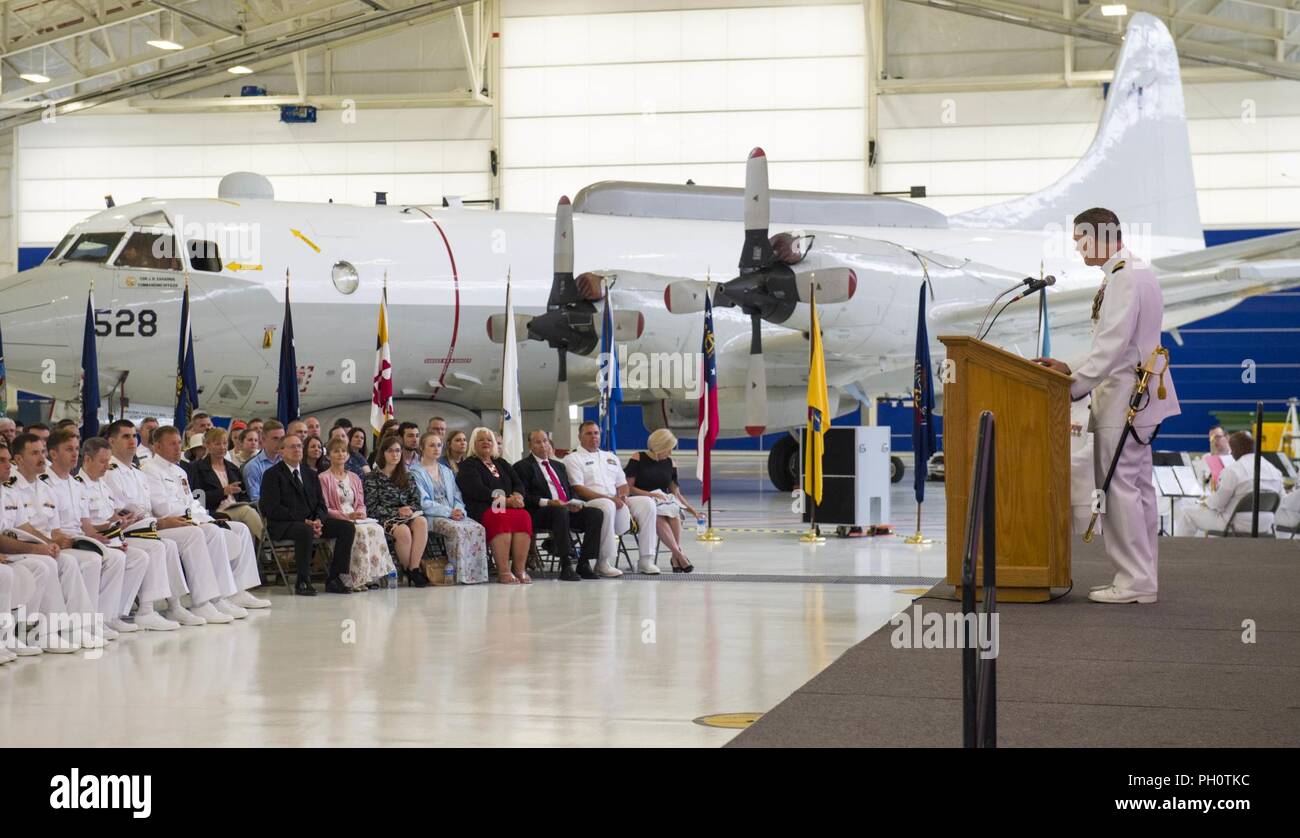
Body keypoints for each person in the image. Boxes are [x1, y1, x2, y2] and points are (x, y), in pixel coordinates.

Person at [1034, 208, 1179, 604]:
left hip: (1124, 398)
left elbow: (1113, 347)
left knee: (1118, 490)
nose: (1078, 248)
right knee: (1138, 488)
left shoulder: (1123, 279)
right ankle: (1142, 577)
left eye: (1081, 239)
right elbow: (1116, 343)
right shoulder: (1135, 271)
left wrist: (1072, 385)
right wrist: (1068, 367)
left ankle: (1133, 580)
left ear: (1100, 235)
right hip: (1140, 394)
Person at [143, 426, 270, 618]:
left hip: (189, 520)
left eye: (179, 443)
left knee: (240, 529)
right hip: (166, 525)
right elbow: (163, 508)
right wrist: (198, 520)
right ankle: (206, 601)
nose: (178, 448)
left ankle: (238, 591)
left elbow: (192, 501)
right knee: (209, 532)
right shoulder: (150, 470)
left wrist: (207, 518)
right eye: (172, 444)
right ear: (158, 446)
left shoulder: (179, 472)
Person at [101, 419, 213, 627]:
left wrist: (157, 521)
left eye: (134, 436)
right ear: (111, 441)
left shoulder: (137, 473)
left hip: (147, 526)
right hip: (125, 531)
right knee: (160, 546)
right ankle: (146, 610)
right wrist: (159, 522)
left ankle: (175, 605)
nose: (132, 441)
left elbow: (144, 507)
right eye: (125, 437)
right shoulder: (110, 472)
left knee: (169, 545)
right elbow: (123, 511)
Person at [71, 437, 178, 632]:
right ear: (87, 460)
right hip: (90, 538)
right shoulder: (78, 485)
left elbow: (110, 514)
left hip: (112, 535)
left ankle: (114, 614)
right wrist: (113, 526)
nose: (106, 467)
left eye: (108, 461)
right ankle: (100, 619)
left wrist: (122, 521)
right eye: (102, 462)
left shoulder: (101, 484)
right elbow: (83, 525)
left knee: (139, 557)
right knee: (135, 554)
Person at [39, 428, 136, 642]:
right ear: (53, 454)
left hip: (79, 539)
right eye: (69, 449)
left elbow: (87, 526)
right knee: (92, 560)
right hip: (60, 541)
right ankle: (82, 625)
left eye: (76, 449)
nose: (75, 454)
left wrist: (105, 538)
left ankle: (103, 618)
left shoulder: (75, 485)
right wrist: (86, 540)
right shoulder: (45, 483)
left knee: (117, 556)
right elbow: (51, 529)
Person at [5, 433, 102, 648]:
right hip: (16, 546)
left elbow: (53, 529)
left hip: (39, 544)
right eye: (35, 453)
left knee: (69, 561)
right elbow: (18, 529)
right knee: (51, 563)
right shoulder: (10, 486)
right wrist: (45, 545)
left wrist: (57, 541)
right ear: (19, 459)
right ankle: (44, 630)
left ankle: (77, 627)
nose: (42, 457)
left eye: (42, 452)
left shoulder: (46, 488)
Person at [260, 433, 355, 596]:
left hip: (310, 522)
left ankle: (335, 579)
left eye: (299, 446)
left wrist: (318, 519)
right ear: (281, 451)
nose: (297, 449)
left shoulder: (310, 474)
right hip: (283, 524)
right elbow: (272, 508)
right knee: (304, 530)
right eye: (292, 446)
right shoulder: (272, 475)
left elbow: (321, 504)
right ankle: (303, 581)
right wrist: (305, 521)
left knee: (346, 528)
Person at [563, 421, 658, 576]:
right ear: (579, 436)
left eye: (596, 433)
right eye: (588, 433)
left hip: (616, 501)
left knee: (647, 503)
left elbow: (623, 484)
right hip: (590, 503)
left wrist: (622, 496)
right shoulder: (573, 458)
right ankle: (603, 562)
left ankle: (646, 559)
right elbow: (578, 488)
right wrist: (611, 498)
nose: (593, 437)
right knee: (607, 504)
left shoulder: (610, 456)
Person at [513, 429, 602, 581]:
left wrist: (575, 502)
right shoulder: (522, 466)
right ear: (530, 445)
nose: (543, 445)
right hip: (540, 512)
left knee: (595, 514)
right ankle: (566, 564)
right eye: (538, 442)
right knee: (559, 511)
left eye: (545, 441)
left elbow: (569, 489)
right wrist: (548, 502)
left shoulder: (558, 466)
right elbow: (525, 496)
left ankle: (584, 562)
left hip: (565, 509)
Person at [456, 427, 534, 584]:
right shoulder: (468, 465)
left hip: (508, 506)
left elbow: (518, 483)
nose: (486, 442)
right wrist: (504, 501)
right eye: (481, 440)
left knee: (523, 516)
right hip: (483, 508)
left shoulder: (501, 463)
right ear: (473, 444)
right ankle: (503, 571)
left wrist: (518, 495)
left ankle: (519, 570)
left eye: (489, 439)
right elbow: (477, 490)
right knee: (501, 517)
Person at [318, 438, 396, 591]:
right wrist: (347, 516)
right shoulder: (323, 478)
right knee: (358, 532)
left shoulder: (354, 477)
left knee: (376, 529)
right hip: (338, 517)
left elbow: (360, 502)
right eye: (336, 451)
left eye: (344, 451)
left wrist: (360, 513)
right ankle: (354, 579)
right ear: (328, 456)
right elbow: (325, 507)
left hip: (356, 516)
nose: (341, 454)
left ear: (348, 455)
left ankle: (371, 576)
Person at [410, 432, 488, 584]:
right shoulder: (415, 472)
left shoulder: (446, 471)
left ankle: (475, 575)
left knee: (478, 528)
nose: (436, 449)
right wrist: (449, 512)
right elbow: (423, 502)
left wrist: (459, 510)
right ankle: (458, 575)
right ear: (422, 448)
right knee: (457, 530)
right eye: (432, 445)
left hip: (453, 513)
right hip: (432, 515)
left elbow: (458, 496)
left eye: (439, 445)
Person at [1174, 431, 1285, 536]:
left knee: (1188, 513)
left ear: (1236, 449)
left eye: (1233, 449)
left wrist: (1204, 502)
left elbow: (1218, 503)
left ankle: (1177, 553)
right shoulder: (1274, 471)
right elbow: (1281, 500)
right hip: (1265, 524)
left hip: (1236, 523)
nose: (1231, 453)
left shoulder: (1234, 470)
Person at [626, 429, 699, 572]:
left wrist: (692, 510)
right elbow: (628, 488)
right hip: (642, 502)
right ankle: (679, 555)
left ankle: (675, 556)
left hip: (664, 504)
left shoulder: (671, 463)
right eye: (669, 449)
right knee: (657, 514)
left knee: (673, 512)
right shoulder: (638, 458)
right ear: (660, 447)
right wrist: (650, 495)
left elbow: (676, 493)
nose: (670, 453)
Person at [363, 434, 430, 586]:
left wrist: (410, 510)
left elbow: (416, 502)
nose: (395, 454)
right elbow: (372, 507)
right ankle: (411, 569)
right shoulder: (372, 478)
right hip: (385, 517)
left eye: (398, 451)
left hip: (407, 515)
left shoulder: (408, 476)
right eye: (391, 451)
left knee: (421, 522)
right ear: (383, 453)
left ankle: (413, 568)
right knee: (403, 531)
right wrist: (397, 512)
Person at [191, 427, 264, 542]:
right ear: (207, 445)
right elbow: (197, 498)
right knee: (247, 511)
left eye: (225, 443)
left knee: (247, 518)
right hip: (214, 510)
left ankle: (256, 555)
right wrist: (223, 492)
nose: (222, 447)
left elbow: (243, 492)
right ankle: (268, 542)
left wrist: (241, 497)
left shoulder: (233, 468)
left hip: (235, 506)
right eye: (217, 444)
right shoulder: (197, 469)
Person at [242, 419, 284, 501]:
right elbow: (256, 499)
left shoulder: (288, 460)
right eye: (275, 438)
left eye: (282, 438)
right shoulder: (252, 467)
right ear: (263, 440)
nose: (280, 442)